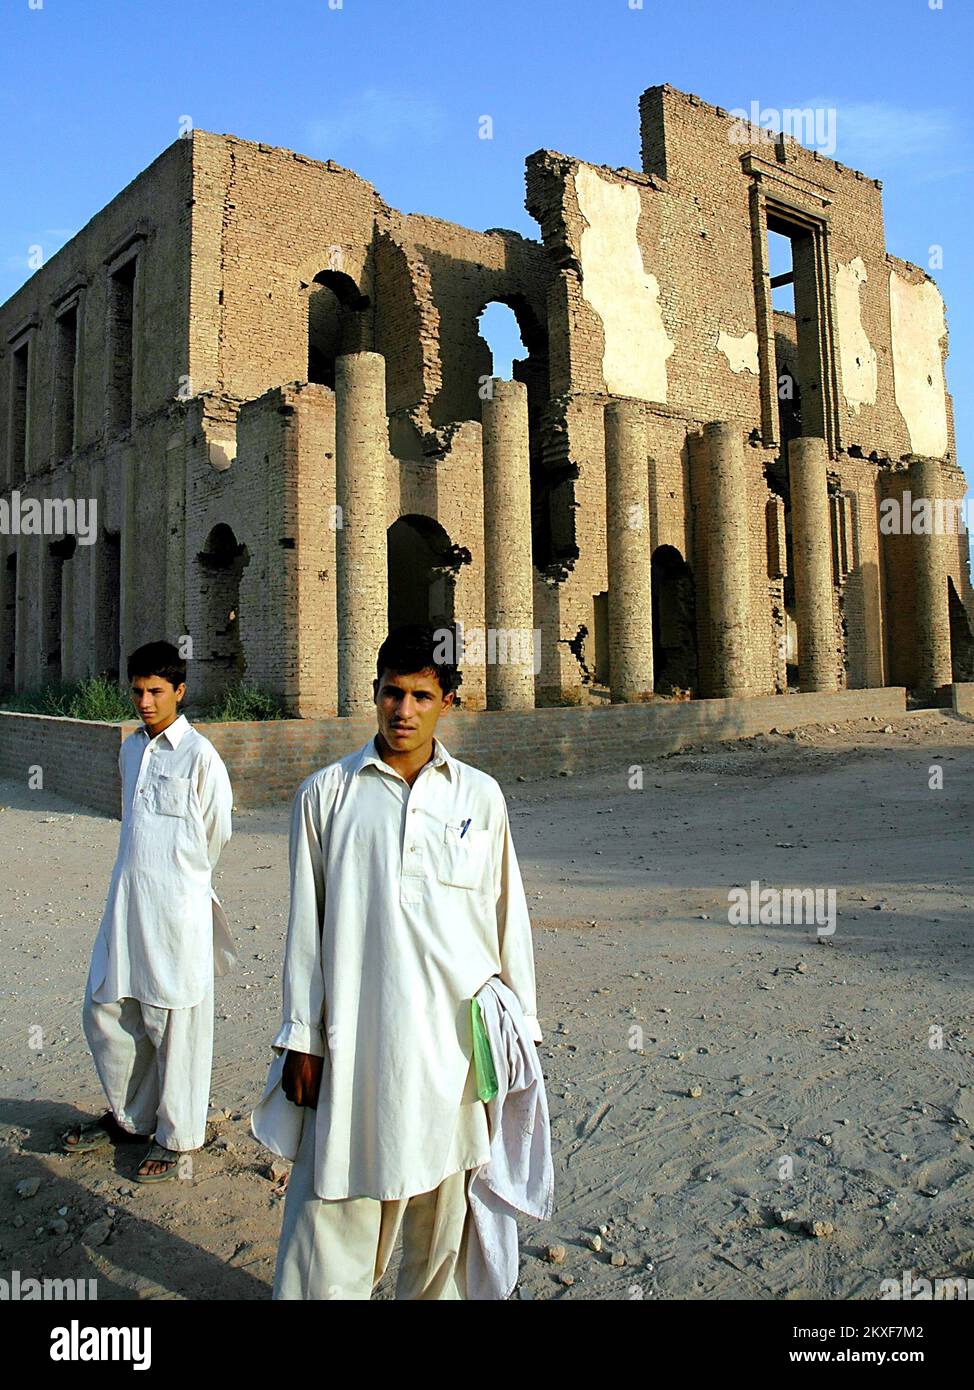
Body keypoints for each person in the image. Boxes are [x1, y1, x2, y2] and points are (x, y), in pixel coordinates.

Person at [252, 623, 542, 1300]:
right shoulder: (327, 795)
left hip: (452, 1057)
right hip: (355, 1048)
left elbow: (508, 924)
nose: (402, 711)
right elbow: (307, 929)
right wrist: (301, 1036)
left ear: (448, 701)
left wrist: (521, 1034)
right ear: (373, 694)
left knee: (439, 1239)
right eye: (391, 694)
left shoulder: (480, 798)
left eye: (420, 695)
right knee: (328, 1226)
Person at [62, 641, 235, 1182]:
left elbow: (216, 832)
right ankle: (133, 1116)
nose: (145, 701)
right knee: (108, 1007)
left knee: (174, 1019)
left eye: (156, 691)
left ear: (179, 692)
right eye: (137, 691)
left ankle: (178, 1134)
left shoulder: (199, 755)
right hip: (127, 901)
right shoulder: (130, 749)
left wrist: (180, 884)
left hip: (177, 909)